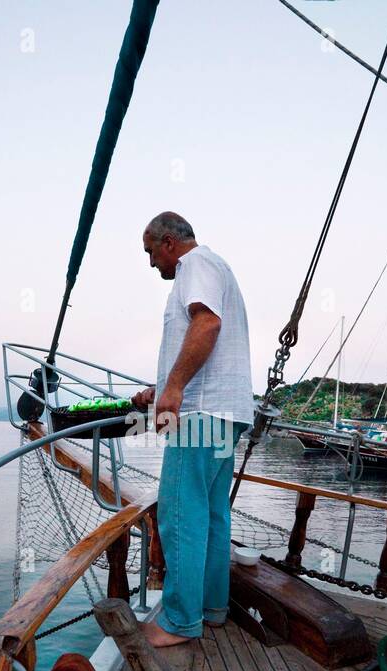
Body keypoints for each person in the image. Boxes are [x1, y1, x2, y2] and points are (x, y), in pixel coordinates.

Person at [131, 212, 253, 648]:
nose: (151, 264)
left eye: (150, 252)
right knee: (212, 513)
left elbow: (206, 324)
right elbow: (202, 334)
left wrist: (175, 390)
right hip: (227, 411)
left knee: (180, 512)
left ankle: (179, 622)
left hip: (199, 414)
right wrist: (161, 386)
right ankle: (212, 608)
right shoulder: (217, 265)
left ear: (168, 243)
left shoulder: (194, 265)